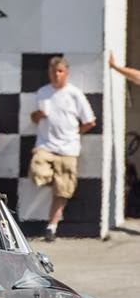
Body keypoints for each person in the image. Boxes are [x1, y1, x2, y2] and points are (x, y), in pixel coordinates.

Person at [29, 55, 96, 242]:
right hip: (46, 146)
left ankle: (52, 226)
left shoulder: (75, 94)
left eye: (60, 71)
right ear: (49, 73)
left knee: (62, 191)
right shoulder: (43, 92)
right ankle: (53, 179)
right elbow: (33, 119)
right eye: (53, 71)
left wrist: (75, 134)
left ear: (66, 73)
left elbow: (89, 121)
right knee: (36, 171)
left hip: (68, 149)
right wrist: (39, 114)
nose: (56, 75)